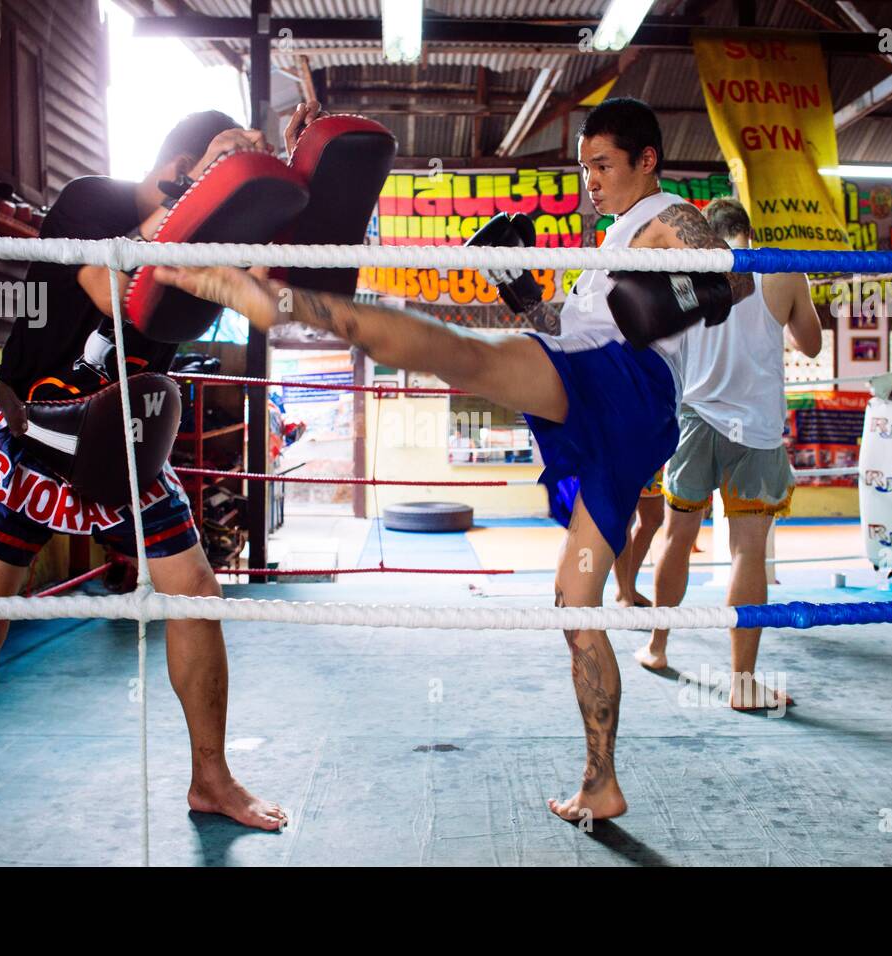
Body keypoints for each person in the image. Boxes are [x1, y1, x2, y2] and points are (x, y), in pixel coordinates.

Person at [155, 97, 756, 822]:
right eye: (583, 168)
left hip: (621, 385)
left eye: (602, 165)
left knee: (457, 354)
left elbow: (735, 277)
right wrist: (524, 293)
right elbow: (560, 328)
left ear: (646, 160)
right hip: (610, 412)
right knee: (575, 603)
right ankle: (603, 781)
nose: (591, 181)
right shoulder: (609, 247)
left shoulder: (666, 215)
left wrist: (666, 301)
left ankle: (277, 301)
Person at [0, 106, 325, 866]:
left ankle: (210, 779)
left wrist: (290, 178)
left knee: (195, 592)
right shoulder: (92, 199)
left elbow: (274, 293)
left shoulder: (201, 257)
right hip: (29, 433)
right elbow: (113, 289)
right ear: (178, 159)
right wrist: (217, 193)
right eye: (223, 156)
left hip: (124, 441)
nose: (230, 175)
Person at [635, 197, 821, 711]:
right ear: (748, 231)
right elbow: (811, 345)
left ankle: (656, 648)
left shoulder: (684, 274)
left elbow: (656, 347)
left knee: (676, 539)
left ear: (705, 234)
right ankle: (742, 684)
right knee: (747, 551)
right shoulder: (780, 269)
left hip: (694, 421)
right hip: (756, 429)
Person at [612, 472, 663, 607]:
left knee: (652, 517)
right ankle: (623, 592)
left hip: (653, 454)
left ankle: (629, 588)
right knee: (624, 517)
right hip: (623, 454)